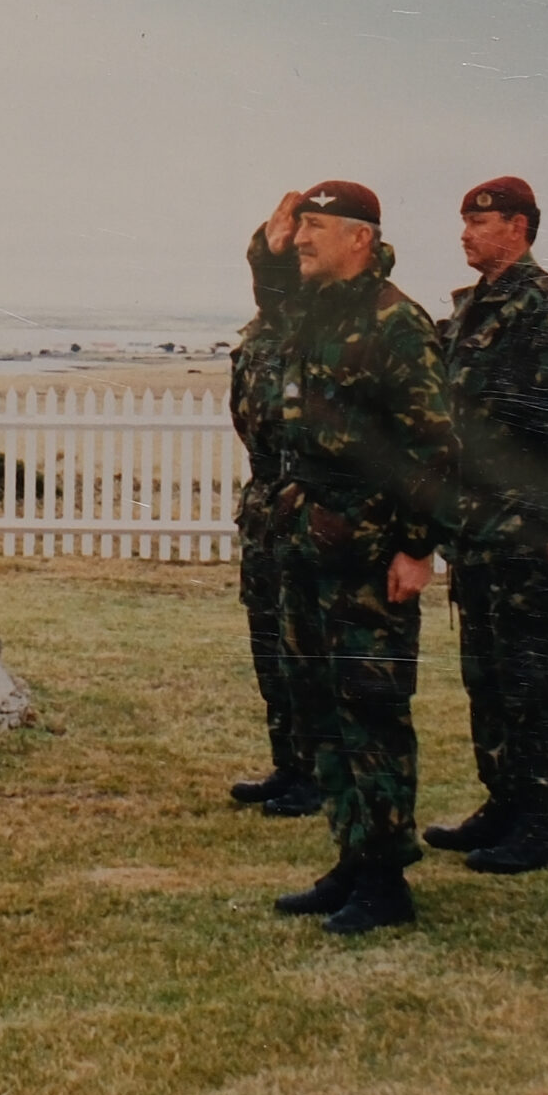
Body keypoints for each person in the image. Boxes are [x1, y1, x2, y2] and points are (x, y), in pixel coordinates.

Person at [248, 184, 458, 934]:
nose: (302, 238)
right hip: (312, 538)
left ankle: (386, 880)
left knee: (371, 710)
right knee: (321, 709)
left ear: (361, 239)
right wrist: (267, 245)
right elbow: (273, 301)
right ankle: (350, 856)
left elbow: (434, 445)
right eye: (300, 227)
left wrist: (417, 548)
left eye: (316, 228)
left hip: (371, 551)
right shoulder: (318, 310)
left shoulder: (397, 324)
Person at [425, 177, 548, 876]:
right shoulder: (474, 310)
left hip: (526, 528)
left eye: (482, 220)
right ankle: (501, 800)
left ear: (519, 228)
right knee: (486, 673)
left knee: (526, 676)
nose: (467, 232)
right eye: (464, 219)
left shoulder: (543, 309)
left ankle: (538, 820)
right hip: (477, 527)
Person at [227, 236, 319, 819]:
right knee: (270, 645)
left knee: (305, 645)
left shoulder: (312, 327)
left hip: (304, 503)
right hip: (265, 506)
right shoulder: (261, 333)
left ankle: (315, 772)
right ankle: (288, 765)